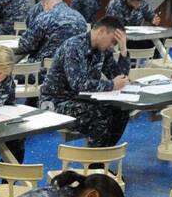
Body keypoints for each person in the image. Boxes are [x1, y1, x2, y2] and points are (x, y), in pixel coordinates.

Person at [40, 17, 131, 147]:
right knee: (100, 115)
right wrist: (111, 85)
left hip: (81, 99)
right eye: (113, 41)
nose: (112, 46)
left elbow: (120, 78)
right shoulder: (74, 46)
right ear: (101, 31)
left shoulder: (102, 50)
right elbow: (78, 84)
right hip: (56, 102)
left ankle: (101, 159)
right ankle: (94, 164)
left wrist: (123, 51)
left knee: (121, 111)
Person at [17, 0, 88, 61]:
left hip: (45, 69)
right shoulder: (80, 17)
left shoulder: (45, 17)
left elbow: (25, 45)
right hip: (72, 67)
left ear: (45, 5)